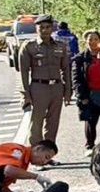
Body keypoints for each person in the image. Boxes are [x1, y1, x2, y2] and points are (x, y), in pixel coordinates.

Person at [19, 14, 72, 148]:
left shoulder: (60, 46)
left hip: (56, 87)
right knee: (36, 122)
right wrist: (25, 94)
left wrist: (68, 91)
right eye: (41, 27)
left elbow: (66, 70)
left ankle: (48, 152)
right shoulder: (29, 46)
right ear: (36, 29)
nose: (45, 30)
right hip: (38, 87)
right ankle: (36, 151)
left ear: (52, 28)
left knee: (53, 122)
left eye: (48, 27)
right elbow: (23, 72)